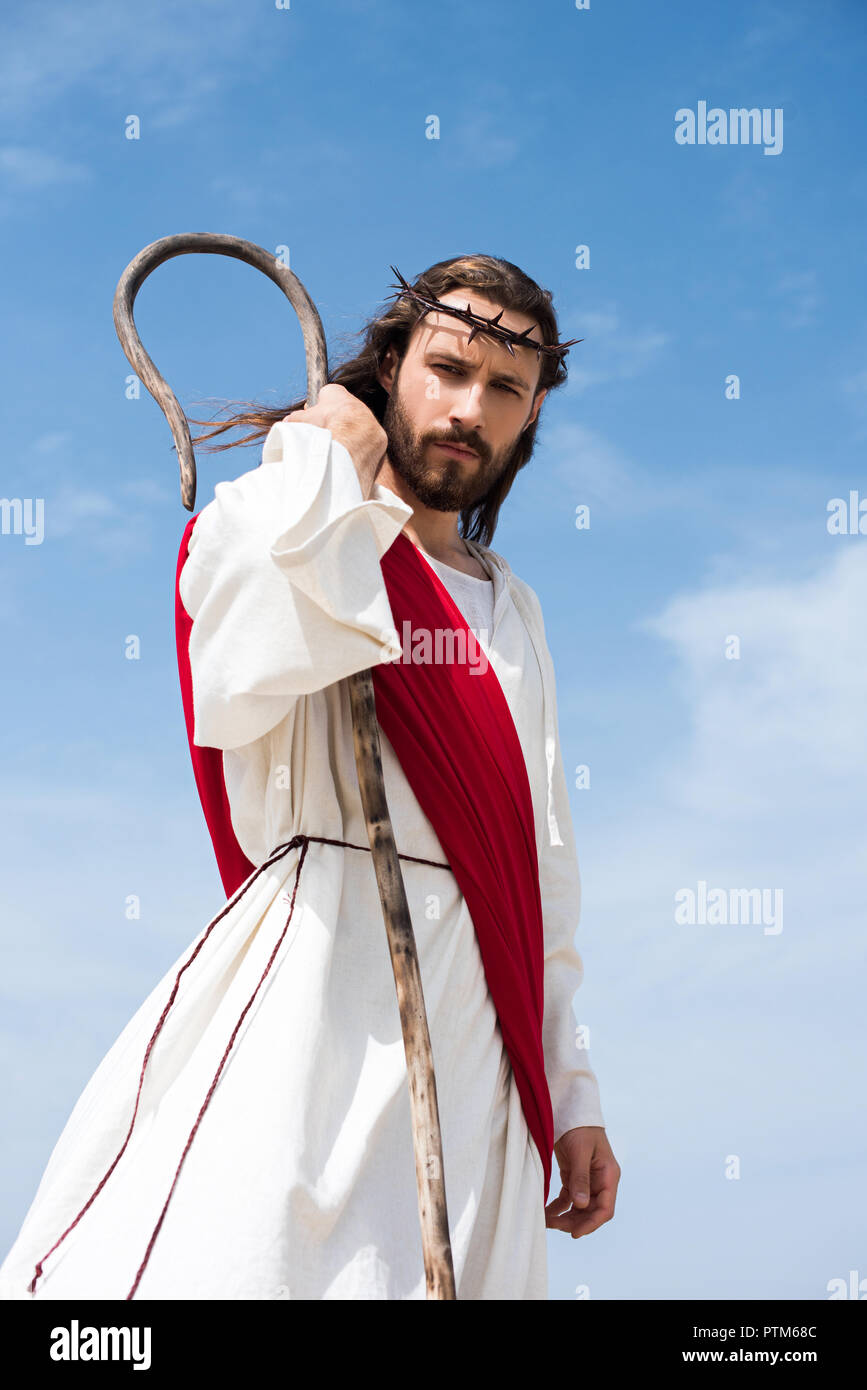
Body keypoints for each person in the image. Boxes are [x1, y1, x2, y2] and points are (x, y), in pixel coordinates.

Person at [0, 253, 620, 1301]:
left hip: (485, 1020)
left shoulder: (515, 607)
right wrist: (325, 473)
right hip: (317, 980)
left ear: (529, 418)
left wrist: (573, 1091)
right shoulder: (281, 510)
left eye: (504, 389)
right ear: (390, 369)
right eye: (448, 368)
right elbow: (242, 670)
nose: (469, 408)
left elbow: (542, 866)